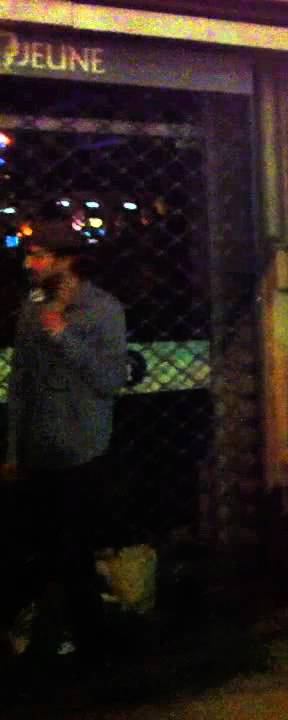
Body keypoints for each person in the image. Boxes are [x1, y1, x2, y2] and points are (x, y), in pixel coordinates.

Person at [3, 220, 127, 660]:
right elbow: (20, 383)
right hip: (39, 450)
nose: (30, 263)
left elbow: (111, 378)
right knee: (37, 547)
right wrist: (14, 449)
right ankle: (48, 632)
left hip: (83, 450)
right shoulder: (30, 308)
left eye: (39, 255)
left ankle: (88, 640)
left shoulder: (103, 309)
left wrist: (63, 335)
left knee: (75, 551)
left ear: (66, 261)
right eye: (30, 254)